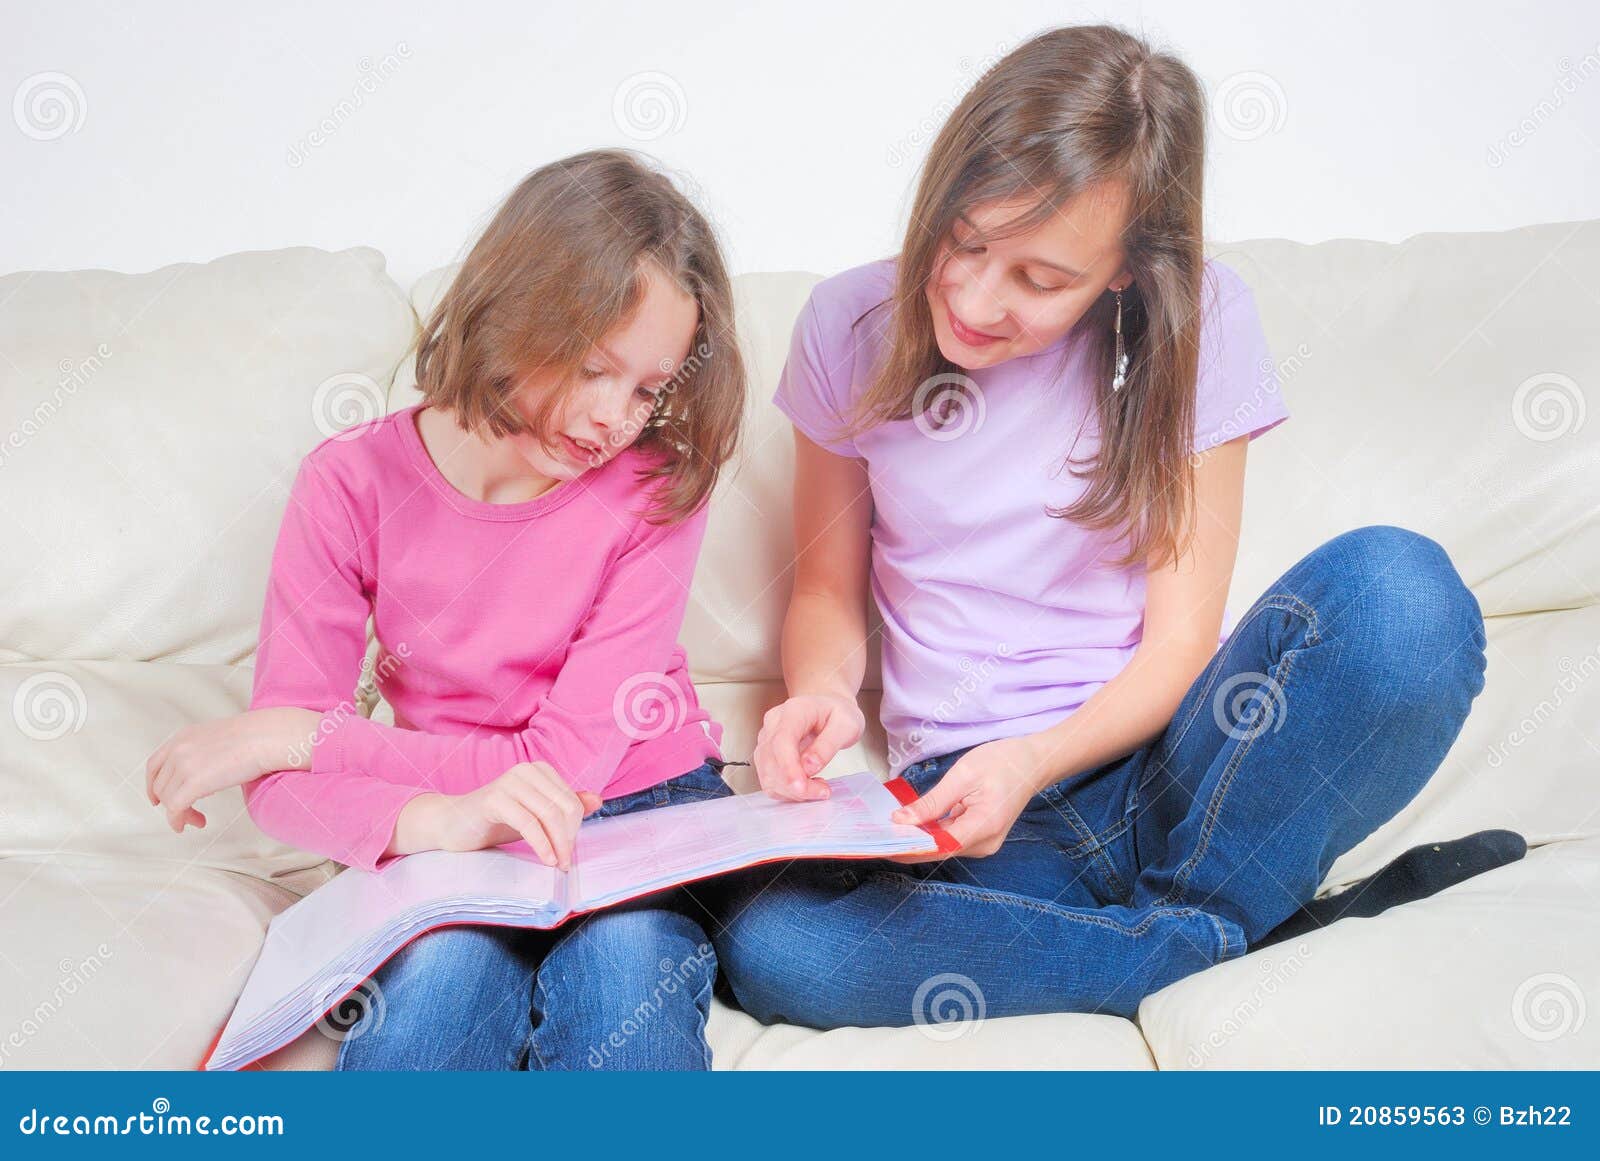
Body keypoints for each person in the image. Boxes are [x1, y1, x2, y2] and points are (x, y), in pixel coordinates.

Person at [712, 24, 1519, 1028]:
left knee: (1400, 594)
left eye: (1040, 280)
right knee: (774, 944)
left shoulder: (1203, 323)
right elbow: (828, 591)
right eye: (962, 241)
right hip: (971, 815)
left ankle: (1168, 930)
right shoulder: (847, 323)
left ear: (1127, 271)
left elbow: (1181, 646)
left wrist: (1037, 758)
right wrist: (821, 694)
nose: (972, 297)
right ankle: (1233, 931)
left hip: (1184, 769)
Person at [146, 149, 746, 1069]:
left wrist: (303, 738)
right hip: (446, 820)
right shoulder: (349, 483)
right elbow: (279, 782)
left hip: (635, 803)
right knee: (434, 998)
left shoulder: (657, 489)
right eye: (594, 366)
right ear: (513, 311)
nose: (614, 418)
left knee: (628, 982)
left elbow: (554, 766)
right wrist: (433, 822)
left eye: (648, 388)